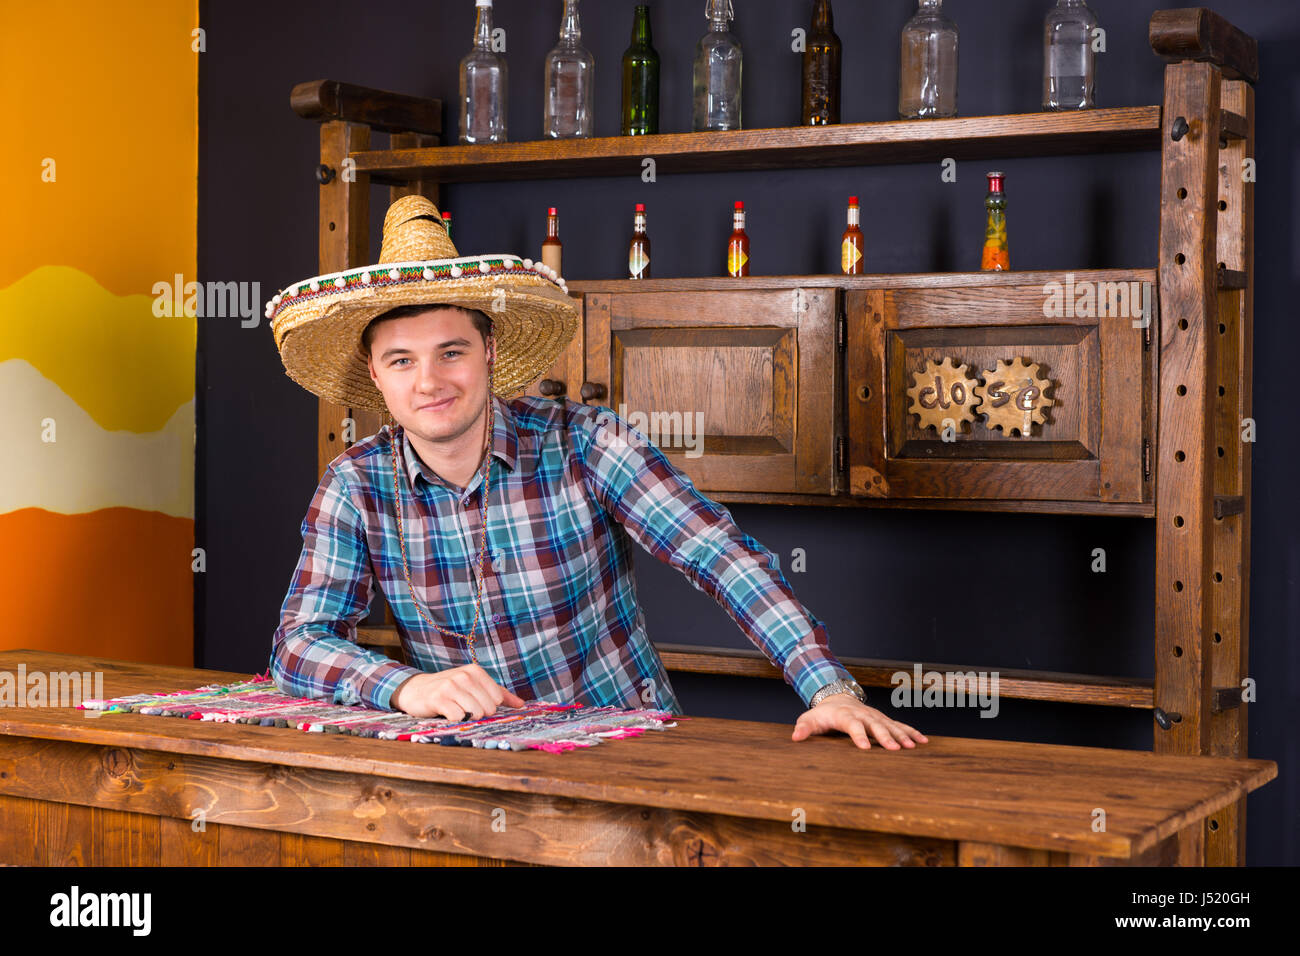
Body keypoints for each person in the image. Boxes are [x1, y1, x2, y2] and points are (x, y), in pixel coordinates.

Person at [266, 195, 926, 751]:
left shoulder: (587, 442)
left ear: (490, 352)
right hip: (470, 765)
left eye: (451, 351)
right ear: (376, 376)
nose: (430, 381)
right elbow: (299, 643)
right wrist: (408, 687)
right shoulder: (355, 485)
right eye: (402, 361)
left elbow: (721, 556)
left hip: (625, 752)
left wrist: (830, 688)